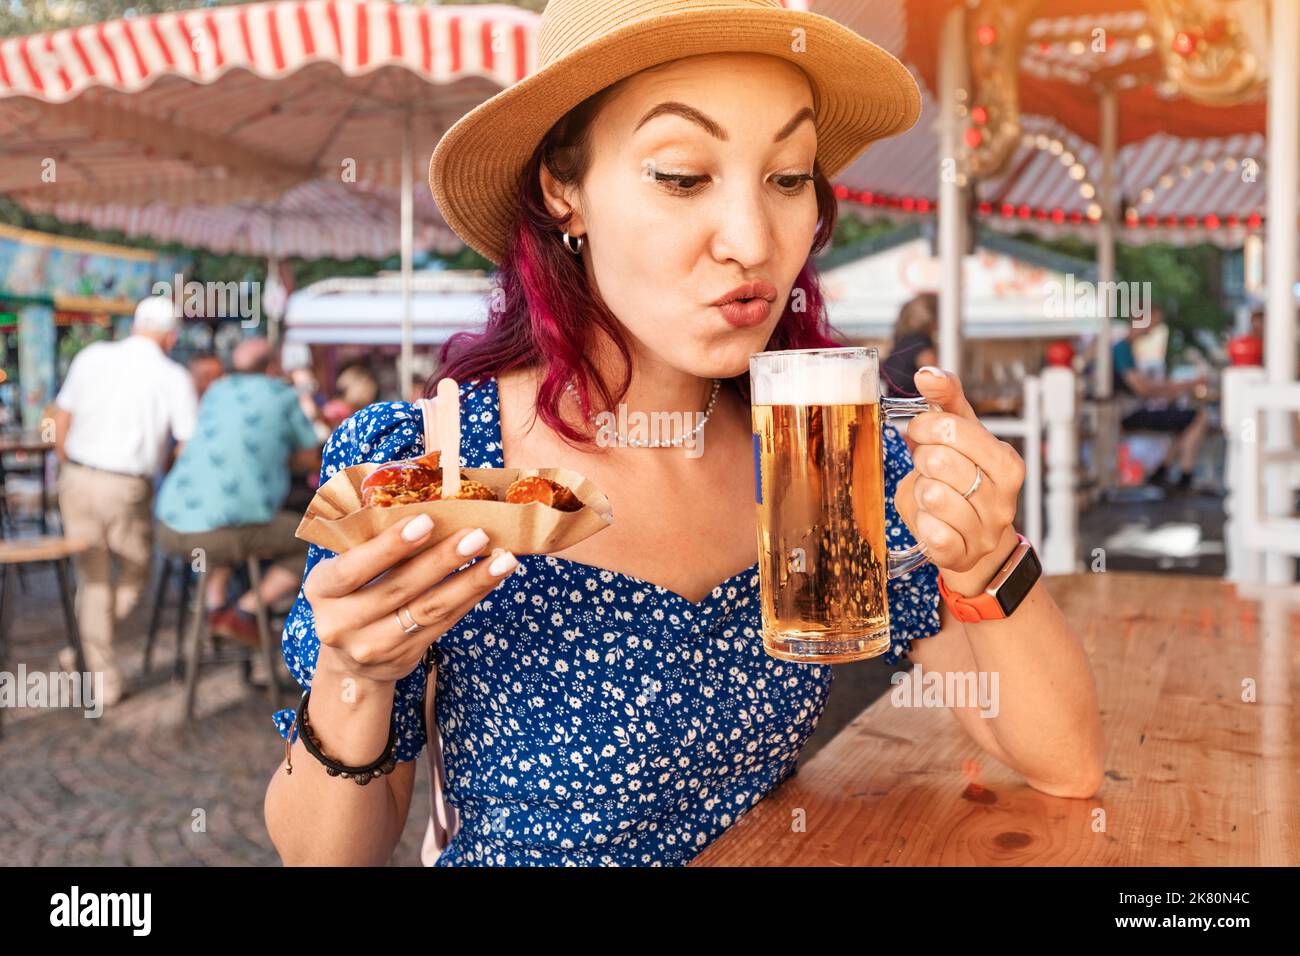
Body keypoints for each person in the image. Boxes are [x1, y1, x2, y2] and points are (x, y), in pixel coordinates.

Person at [265, 0, 1104, 868]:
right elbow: (327, 858)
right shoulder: (433, 458)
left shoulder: (820, 455)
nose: (753, 242)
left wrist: (987, 560)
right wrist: (355, 677)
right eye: (681, 175)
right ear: (564, 188)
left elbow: (1066, 765)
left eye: (788, 178)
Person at [52, 295, 199, 705]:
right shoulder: (173, 375)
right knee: (133, 573)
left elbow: (61, 417)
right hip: (128, 486)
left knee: (93, 577)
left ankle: (85, 650)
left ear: (135, 326)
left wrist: (68, 464)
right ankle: (102, 679)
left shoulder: (92, 356)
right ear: (169, 337)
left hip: (77, 476)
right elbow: (185, 444)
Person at [155, 338, 321, 647]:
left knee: (232, 519)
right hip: (214, 535)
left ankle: (215, 607)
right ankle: (246, 611)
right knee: (316, 542)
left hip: (168, 525)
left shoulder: (218, 390)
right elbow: (310, 456)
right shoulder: (283, 395)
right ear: (273, 366)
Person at [1111, 304, 1209, 492]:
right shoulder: (1122, 349)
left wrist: (1175, 387)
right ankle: (1180, 474)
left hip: (1130, 410)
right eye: (1155, 321)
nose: (1156, 327)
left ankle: (1164, 470)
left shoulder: (1127, 348)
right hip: (1127, 413)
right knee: (1199, 417)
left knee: (1190, 421)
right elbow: (1143, 389)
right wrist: (1186, 384)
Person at [882, 292, 939, 397]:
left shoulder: (900, 343)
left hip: (894, 409)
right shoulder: (922, 347)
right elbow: (938, 384)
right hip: (916, 410)